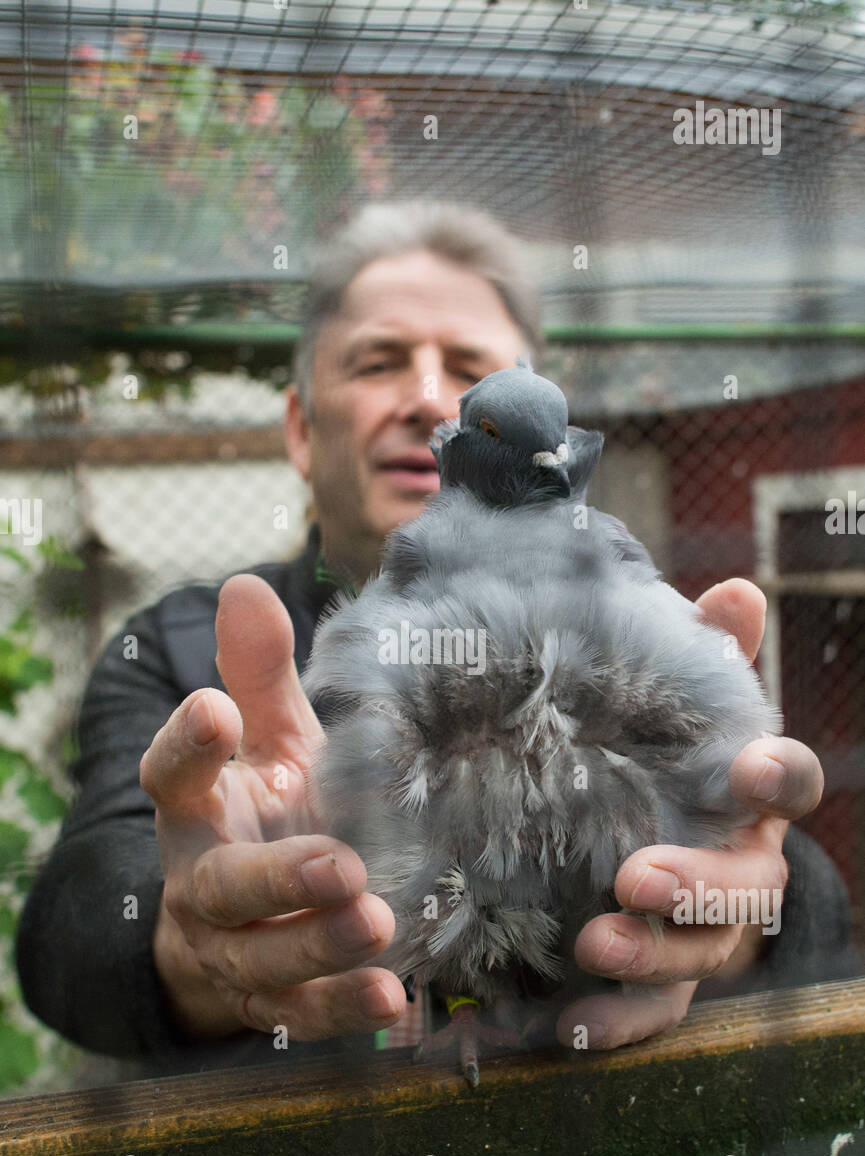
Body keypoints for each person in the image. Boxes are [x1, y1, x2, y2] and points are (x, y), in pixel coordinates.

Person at [16, 200, 852, 1076]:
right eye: (378, 362)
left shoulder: (627, 602)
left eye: (464, 365)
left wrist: (734, 907)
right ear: (300, 428)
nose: (425, 399)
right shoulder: (181, 649)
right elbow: (64, 935)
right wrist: (196, 925)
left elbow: (802, 893)